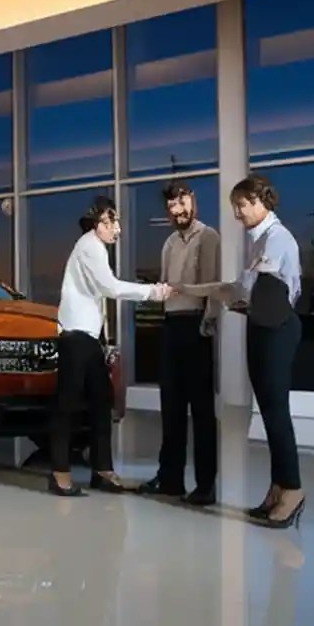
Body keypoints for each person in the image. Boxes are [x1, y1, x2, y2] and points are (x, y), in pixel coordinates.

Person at [177, 174, 305, 528]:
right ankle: (277, 488)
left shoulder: (277, 239)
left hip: (277, 329)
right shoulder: (258, 240)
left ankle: (293, 490)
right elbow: (237, 289)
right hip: (262, 328)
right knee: (268, 412)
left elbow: (253, 295)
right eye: (235, 207)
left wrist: (222, 294)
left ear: (262, 201)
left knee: (276, 413)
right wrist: (191, 288)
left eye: (243, 205)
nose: (238, 213)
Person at [49, 196, 171, 497]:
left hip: (88, 338)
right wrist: (153, 291)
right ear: (96, 224)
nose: (116, 227)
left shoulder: (95, 247)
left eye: (116, 221)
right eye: (110, 221)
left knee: (101, 403)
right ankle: (59, 473)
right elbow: (110, 287)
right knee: (67, 405)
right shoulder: (90, 246)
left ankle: (102, 470)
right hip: (75, 337)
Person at [139, 179, 220, 506]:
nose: (178, 210)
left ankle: (205, 485)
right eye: (172, 206)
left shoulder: (208, 236)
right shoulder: (170, 242)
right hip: (171, 325)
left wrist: (209, 322)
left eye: (182, 203)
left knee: (201, 411)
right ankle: (170, 479)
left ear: (193, 201)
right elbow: (167, 287)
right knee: (170, 407)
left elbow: (213, 284)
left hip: (196, 326)